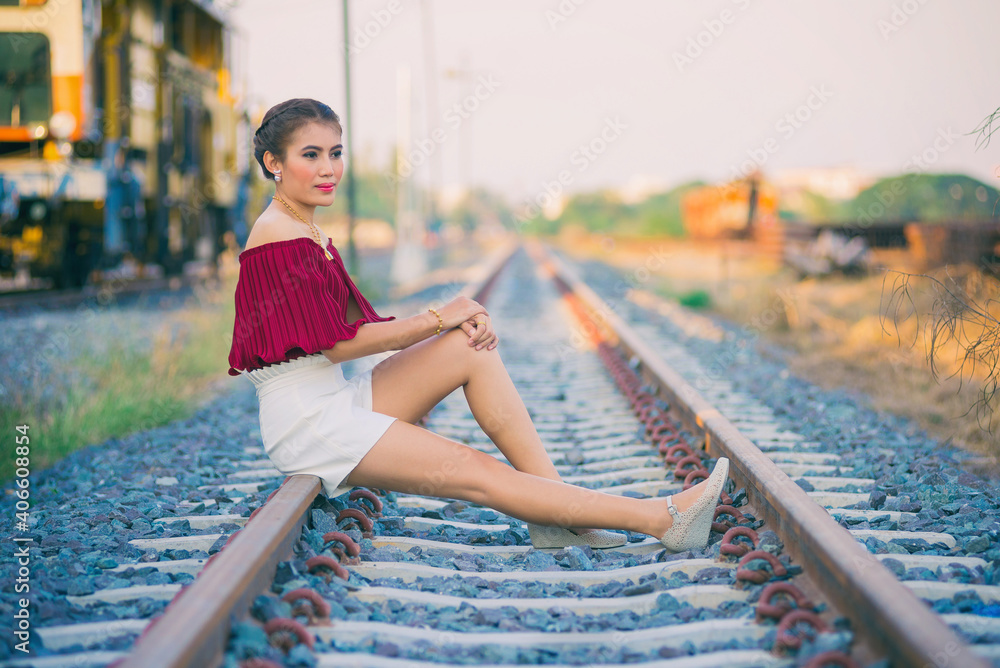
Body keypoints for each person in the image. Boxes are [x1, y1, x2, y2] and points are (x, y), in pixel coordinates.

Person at [227, 98, 731, 551]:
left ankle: (559, 516)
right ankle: (661, 518)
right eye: (310, 155)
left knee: (468, 348)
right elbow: (339, 345)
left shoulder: (302, 228)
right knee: (474, 471)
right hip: (310, 423)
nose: (328, 168)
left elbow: (348, 331)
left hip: (331, 399)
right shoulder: (279, 236)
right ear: (274, 163)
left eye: (335, 153)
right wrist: (440, 316)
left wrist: (451, 325)